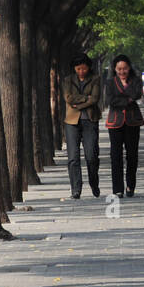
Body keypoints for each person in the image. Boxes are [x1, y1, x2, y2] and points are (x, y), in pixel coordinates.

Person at [104, 53, 144, 197]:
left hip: (133, 121)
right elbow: (110, 101)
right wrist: (127, 99)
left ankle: (130, 186)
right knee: (115, 156)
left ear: (129, 68)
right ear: (114, 69)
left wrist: (124, 97)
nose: (122, 72)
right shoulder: (110, 83)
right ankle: (117, 188)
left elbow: (136, 95)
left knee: (132, 155)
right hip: (115, 122)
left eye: (125, 68)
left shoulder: (136, 80)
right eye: (119, 69)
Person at [62, 53, 101, 199]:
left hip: (90, 120)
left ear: (88, 68)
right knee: (73, 157)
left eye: (84, 69)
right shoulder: (68, 80)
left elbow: (95, 99)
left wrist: (78, 103)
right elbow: (68, 98)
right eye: (78, 69)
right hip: (72, 122)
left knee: (91, 156)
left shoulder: (95, 78)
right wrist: (86, 98)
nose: (81, 72)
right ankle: (76, 189)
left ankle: (94, 183)